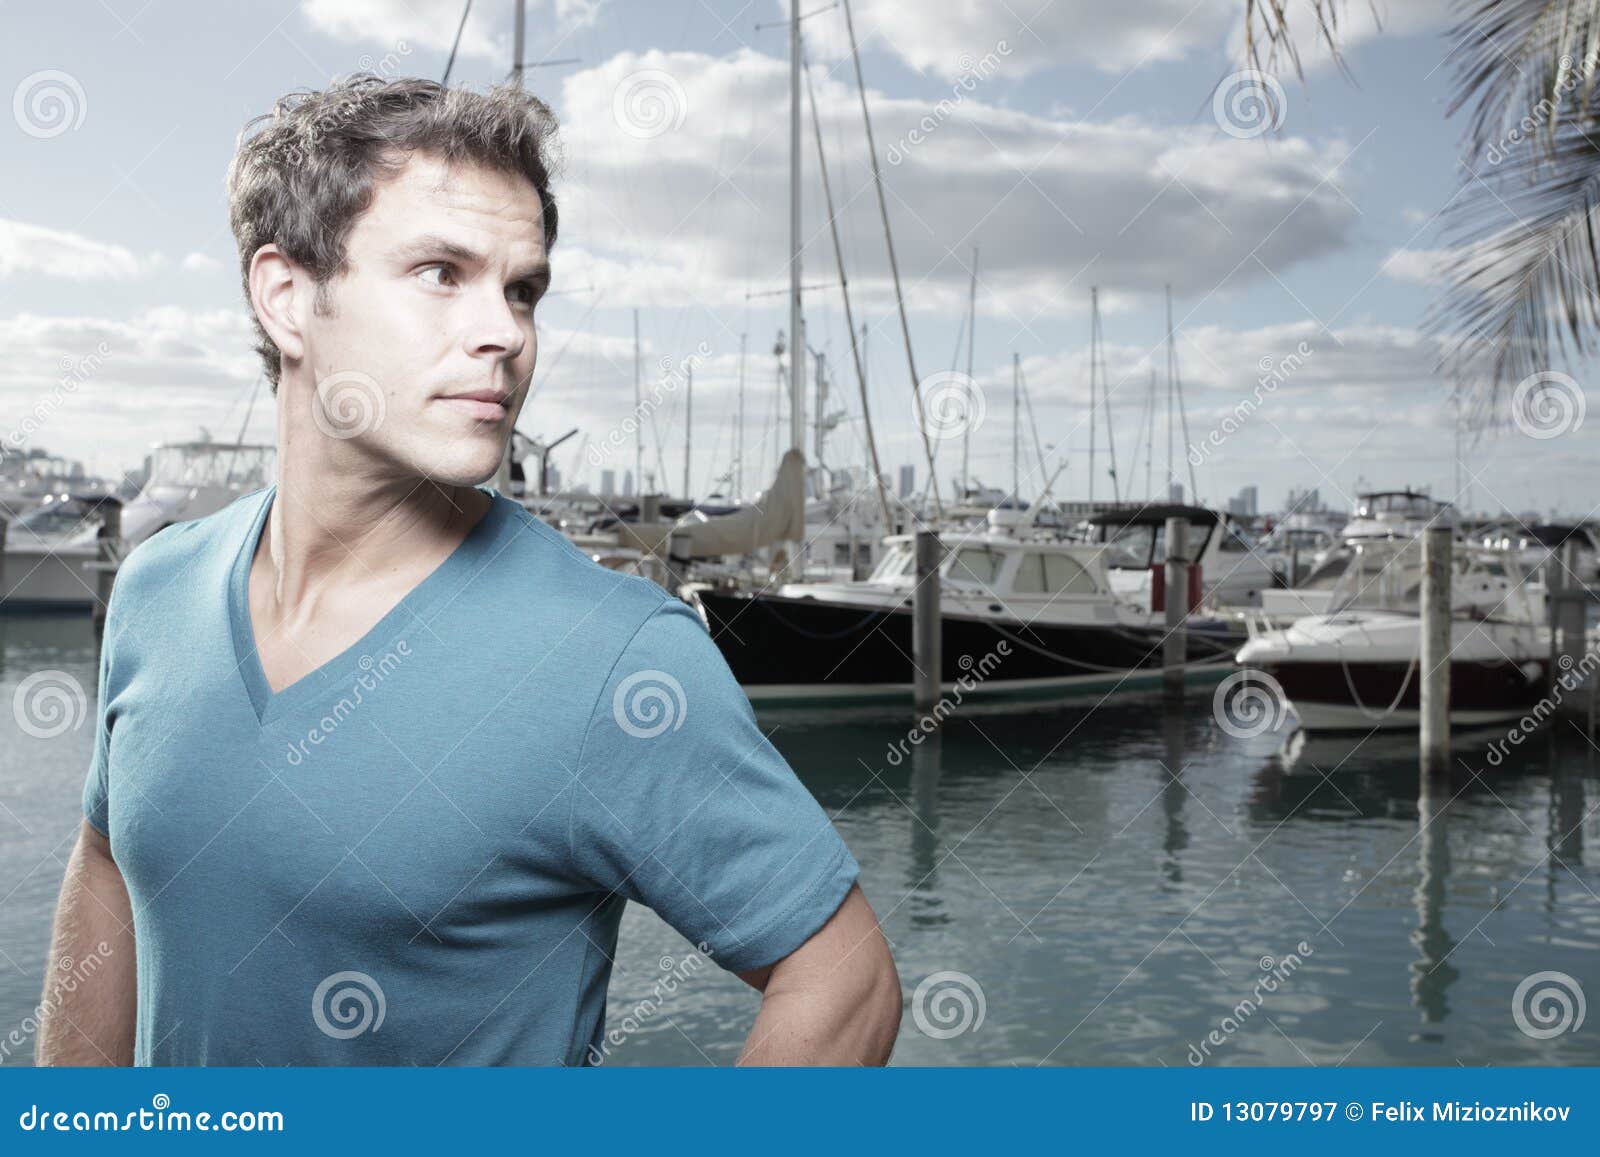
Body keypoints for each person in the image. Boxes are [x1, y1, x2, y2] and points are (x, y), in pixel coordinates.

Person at [37, 74, 900, 1067]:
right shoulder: (156, 588)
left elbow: (846, 978)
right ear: (286, 297)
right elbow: (107, 859)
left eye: (522, 288)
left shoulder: (611, 657)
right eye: (442, 272)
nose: (507, 332)